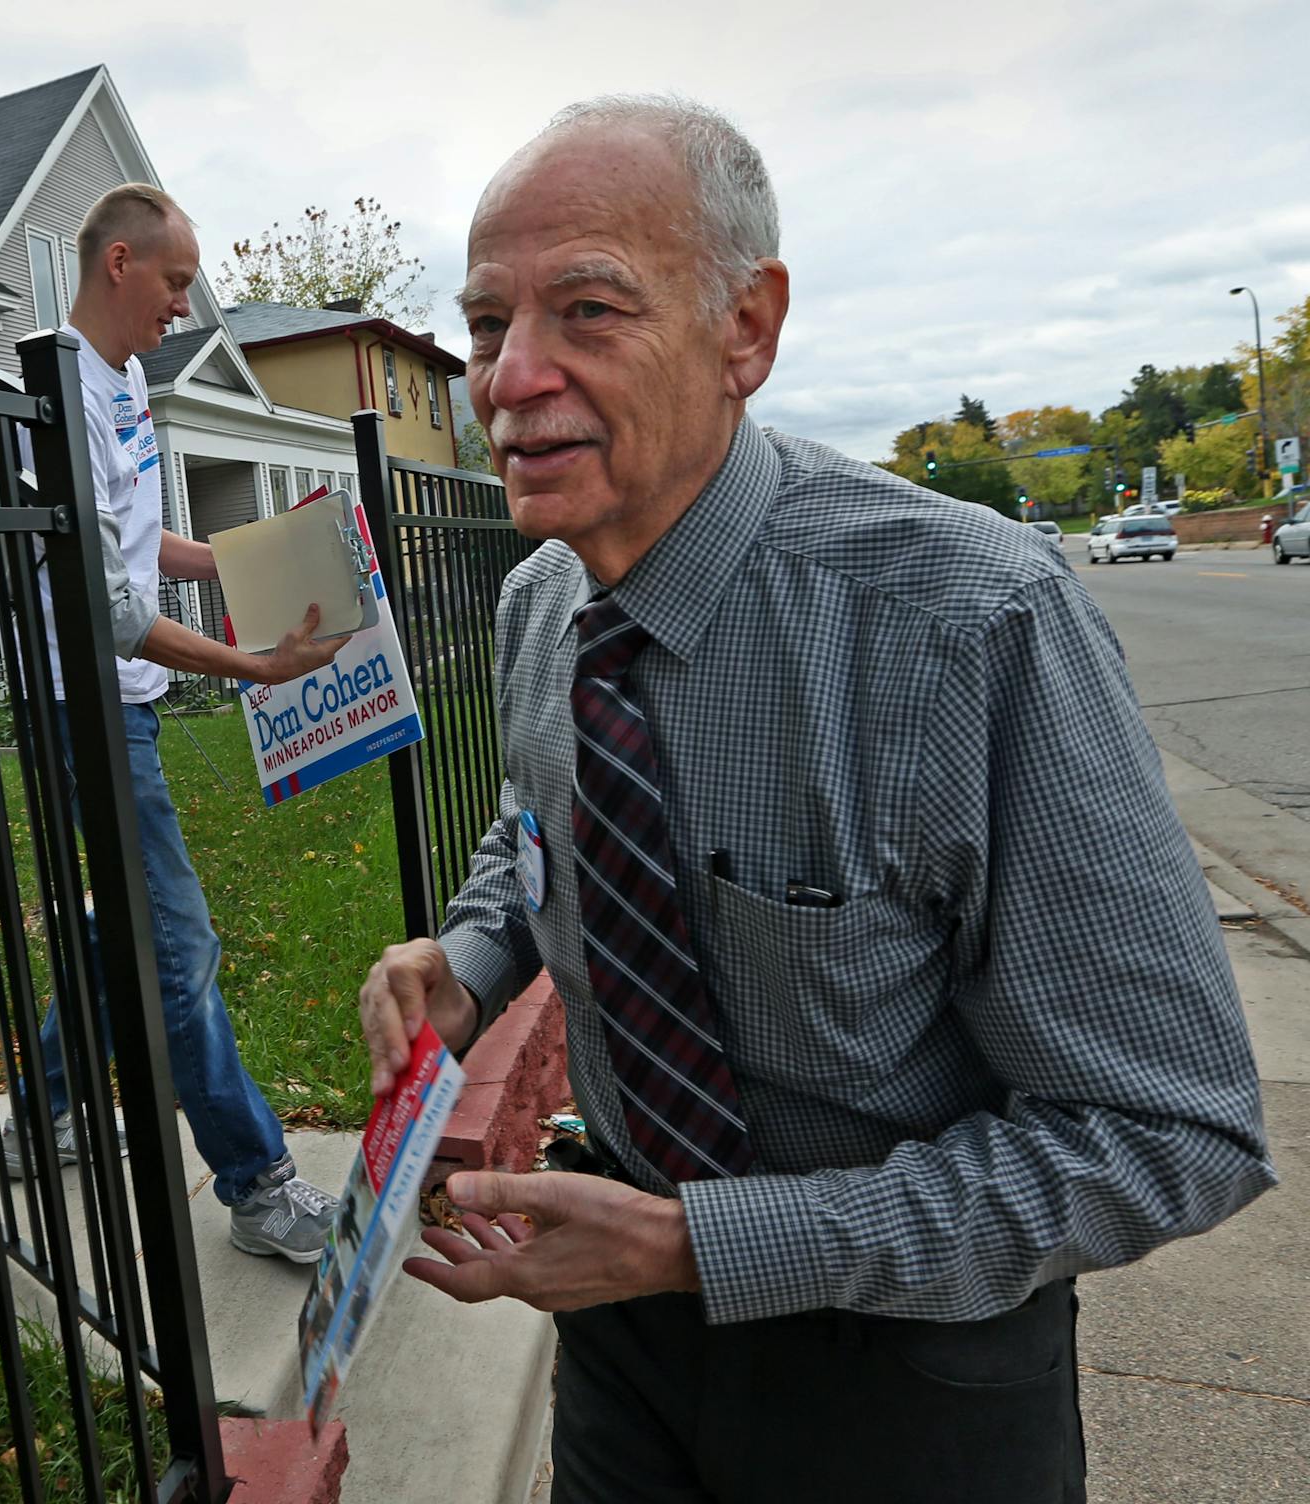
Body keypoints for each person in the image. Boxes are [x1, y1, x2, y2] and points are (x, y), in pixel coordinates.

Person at [355, 97, 1274, 1500]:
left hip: (910, 1372)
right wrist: (467, 959)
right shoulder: (541, 598)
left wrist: (697, 1246)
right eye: (487, 326)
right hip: (619, 1327)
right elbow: (540, 822)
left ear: (747, 330)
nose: (509, 377)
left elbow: (1171, 1134)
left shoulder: (973, 622)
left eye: (588, 312)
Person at [4, 181, 347, 1263]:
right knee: (180, 946)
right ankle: (258, 1187)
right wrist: (255, 666)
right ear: (118, 265)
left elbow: (146, 543)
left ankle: (40, 1116)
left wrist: (261, 558)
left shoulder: (126, 383)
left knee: (122, 931)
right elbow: (109, 611)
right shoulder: (61, 390)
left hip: (129, 711)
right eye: (176, 283)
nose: (185, 310)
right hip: (86, 712)